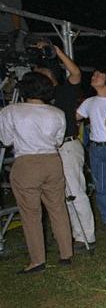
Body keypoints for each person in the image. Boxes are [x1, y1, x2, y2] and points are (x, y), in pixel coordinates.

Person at [0, 72, 72, 273]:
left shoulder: (10, 111)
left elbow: (5, 140)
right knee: (58, 208)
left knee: (31, 214)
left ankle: (37, 260)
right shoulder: (57, 112)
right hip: (52, 161)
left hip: (27, 163)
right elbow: (58, 141)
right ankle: (65, 253)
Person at [33, 43, 97, 251]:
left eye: (42, 74)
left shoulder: (64, 92)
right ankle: (65, 233)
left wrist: (56, 50)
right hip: (48, 149)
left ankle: (86, 235)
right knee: (55, 194)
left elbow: (76, 72)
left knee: (75, 191)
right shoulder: (38, 99)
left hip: (67, 146)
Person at [76, 69, 106, 228]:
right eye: (94, 75)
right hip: (96, 148)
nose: (94, 77)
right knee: (101, 185)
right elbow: (75, 117)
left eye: (99, 74)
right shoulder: (89, 102)